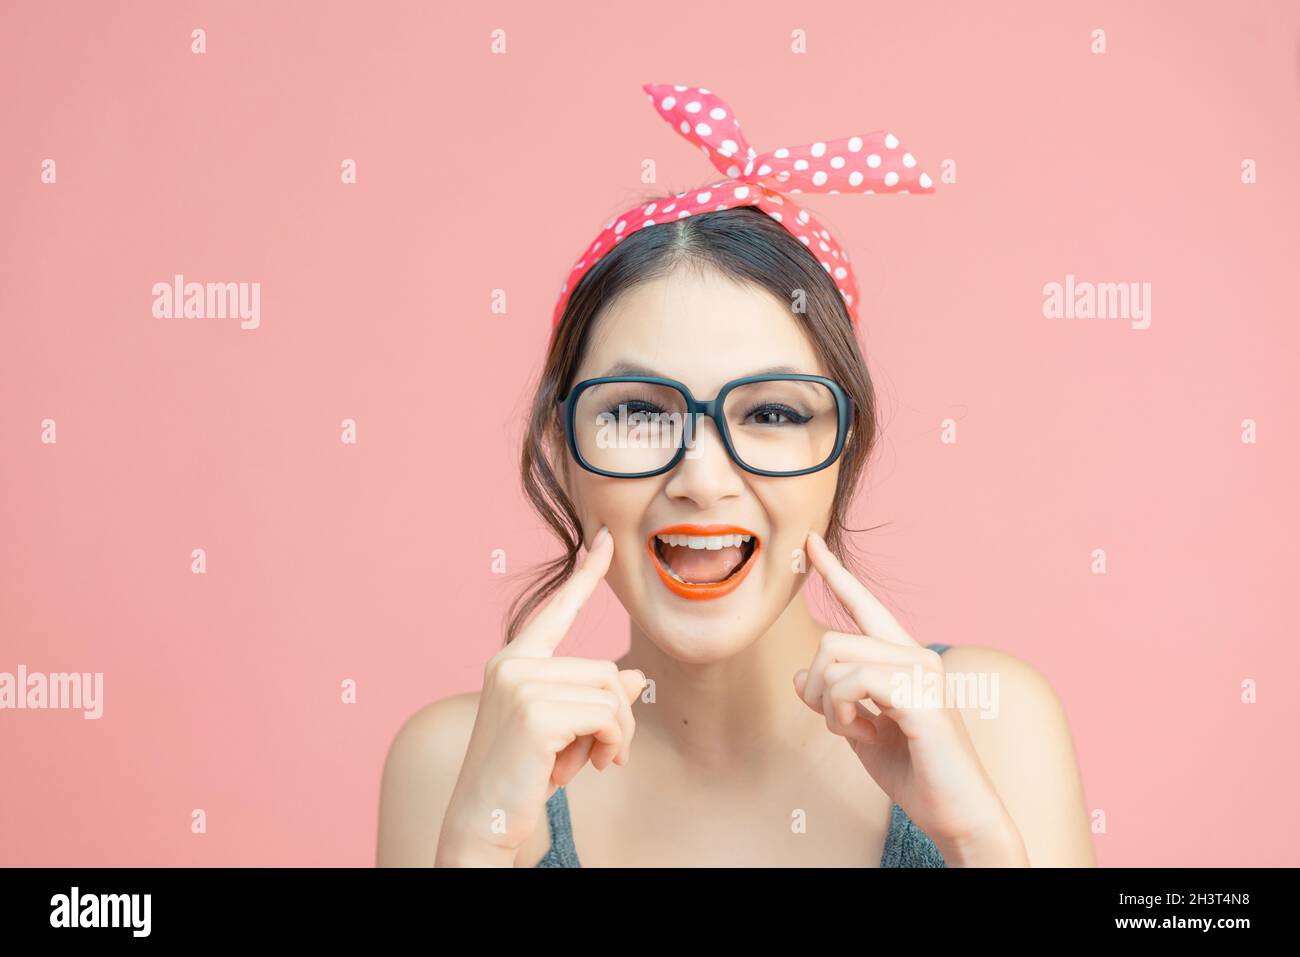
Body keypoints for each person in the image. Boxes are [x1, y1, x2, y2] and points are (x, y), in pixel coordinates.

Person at [376, 84, 1096, 868]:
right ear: (560, 445)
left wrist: (978, 841)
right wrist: (476, 841)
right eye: (637, 413)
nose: (703, 477)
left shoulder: (995, 720)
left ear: (847, 446)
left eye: (775, 414)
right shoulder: (451, 762)